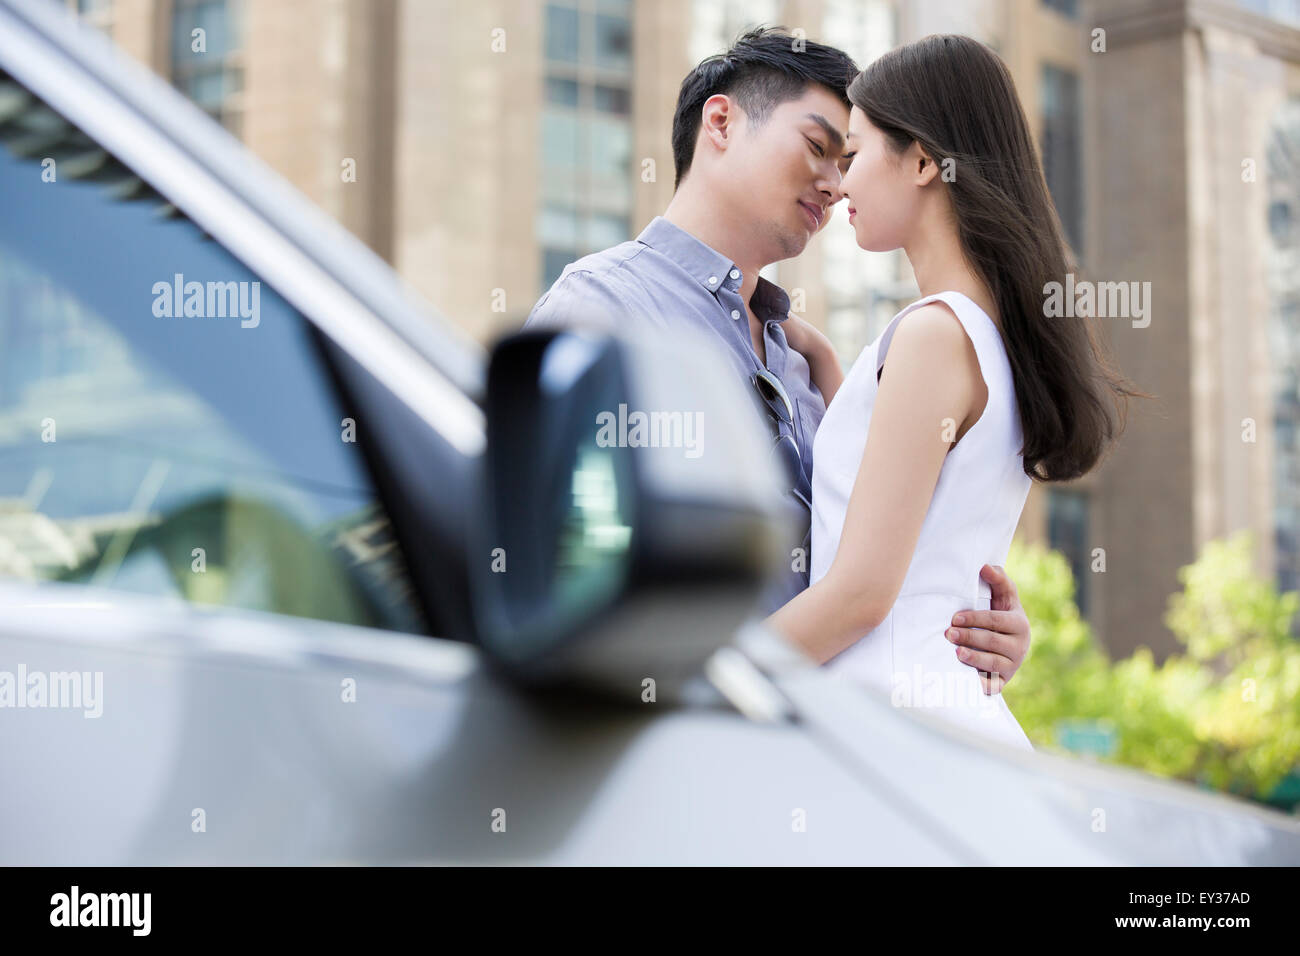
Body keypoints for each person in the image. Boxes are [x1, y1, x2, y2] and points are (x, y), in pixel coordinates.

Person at [526, 27, 1036, 696]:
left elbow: (863, 563)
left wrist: (965, 616)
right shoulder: (600, 312)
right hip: (669, 737)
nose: (836, 183)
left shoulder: (803, 360)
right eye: (819, 147)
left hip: (804, 748)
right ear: (721, 122)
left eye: (851, 157)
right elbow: (544, 556)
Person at [767, 35, 1141, 748]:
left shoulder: (934, 336)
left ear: (924, 160)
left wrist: (706, 681)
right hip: (939, 725)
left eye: (856, 154)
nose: (840, 184)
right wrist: (828, 370)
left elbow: (861, 596)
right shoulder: (985, 336)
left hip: (894, 735)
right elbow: (911, 500)